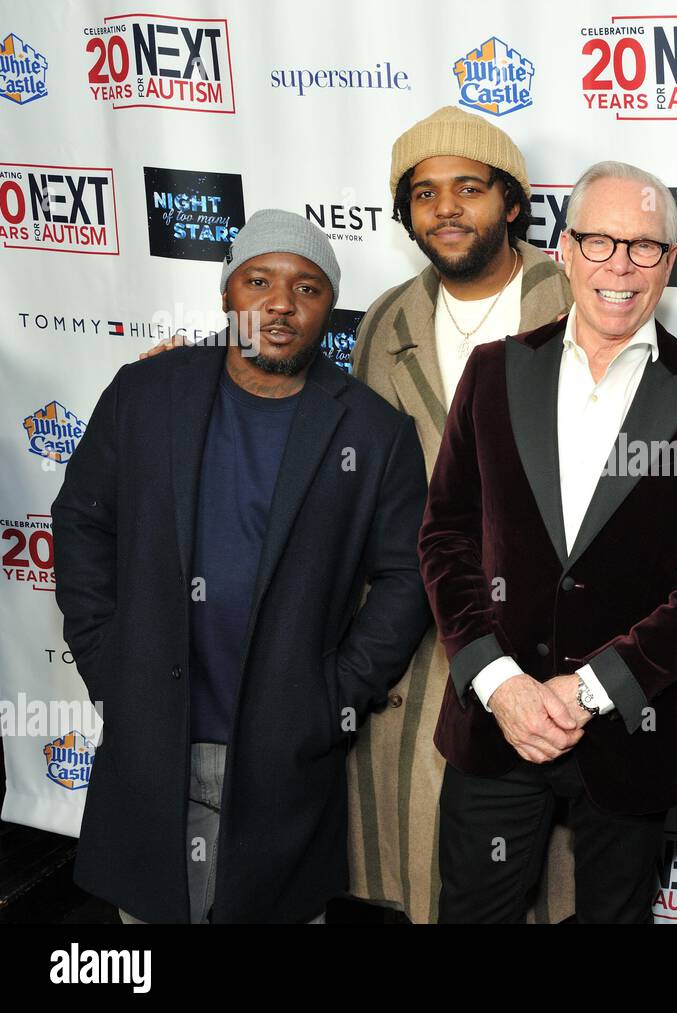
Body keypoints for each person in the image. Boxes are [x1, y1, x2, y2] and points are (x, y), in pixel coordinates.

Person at [52, 210, 430, 923]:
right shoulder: (145, 393)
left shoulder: (375, 433)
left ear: (328, 308)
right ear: (228, 293)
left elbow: (407, 577)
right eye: (259, 280)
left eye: (307, 288)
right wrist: (110, 659)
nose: (281, 303)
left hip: (285, 754)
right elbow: (81, 521)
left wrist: (334, 694)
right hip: (153, 737)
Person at [420, 160, 677, 923]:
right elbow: (445, 537)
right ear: (563, 249)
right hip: (495, 725)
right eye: (600, 242)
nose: (620, 267)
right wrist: (498, 681)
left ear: (670, 262)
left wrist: (590, 687)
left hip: (632, 734)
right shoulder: (494, 371)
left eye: (644, 247)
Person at [346, 106, 574, 924]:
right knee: (419, 876)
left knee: (542, 883)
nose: (445, 209)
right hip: (416, 636)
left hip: (548, 636)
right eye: (424, 194)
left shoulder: (581, 296)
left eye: (468, 188)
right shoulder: (385, 322)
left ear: (511, 201)